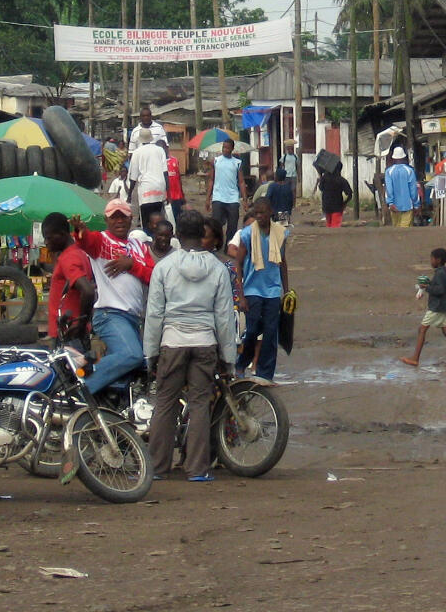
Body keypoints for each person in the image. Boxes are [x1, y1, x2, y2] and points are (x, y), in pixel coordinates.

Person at [144, 210, 236, 482]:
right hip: (205, 342)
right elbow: (224, 316)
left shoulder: (164, 267)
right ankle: (197, 469)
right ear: (202, 234)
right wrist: (228, 356)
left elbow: (154, 314)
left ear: (177, 235)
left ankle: (157, 467)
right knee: (199, 404)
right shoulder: (218, 268)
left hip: (172, 341)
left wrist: (150, 352)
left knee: (165, 403)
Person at [72, 199, 153, 393]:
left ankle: (112, 405)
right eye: (114, 217)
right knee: (132, 355)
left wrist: (131, 265)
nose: (119, 221)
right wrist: (80, 233)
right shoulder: (102, 240)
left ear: (130, 219)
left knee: (138, 365)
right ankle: (81, 387)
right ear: (106, 220)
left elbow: (154, 275)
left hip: (134, 318)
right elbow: (87, 241)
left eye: (123, 217)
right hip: (111, 314)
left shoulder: (140, 246)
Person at [233, 198, 290, 380]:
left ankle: (266, 375)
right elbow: (238, 264)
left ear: (270, 212)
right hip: (252, 290)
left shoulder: (280, 234)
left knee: (271, 333)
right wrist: (241, 295)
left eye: (263, 213)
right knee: (252, 330)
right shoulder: (248, 234)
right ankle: (242, 362)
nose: (260, 216)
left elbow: (282, 262)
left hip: (272, 290)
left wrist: (286, 290)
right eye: (256, 213)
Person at [400, 248, 446, 367]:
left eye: (432, 258)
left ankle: (415, 359)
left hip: (436, 308)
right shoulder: (442, 271)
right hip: (443, 307)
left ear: (438, 260)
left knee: (422, 330)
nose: (431, 261)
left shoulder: (440, 273)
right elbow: (440, 287)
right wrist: (429, 283)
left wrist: (426, 287)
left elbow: (440, 290)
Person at [43, 212, 96, 349]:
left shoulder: (69, 258)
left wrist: (80, 325)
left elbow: (88, 291)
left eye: (48, 238)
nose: (46, 243)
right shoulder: (78, 252)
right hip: (72, 331)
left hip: (68, 333)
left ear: (62, 234)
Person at [206, 138, 247, 249]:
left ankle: (229, 246)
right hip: (218, 197)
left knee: (232, 225)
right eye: (224, 147)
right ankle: (215, 245)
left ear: (232, 149)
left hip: (233, 198)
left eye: (228, 148)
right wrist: (208, 198)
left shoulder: (237, 163)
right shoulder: (216, 161)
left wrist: (245, 200)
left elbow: (242, 182)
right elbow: (211, 180)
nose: (225, 149)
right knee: (216, 223)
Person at [129, 127, 168, 233]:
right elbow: (165, 172)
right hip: (159, 188)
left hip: (146, 190)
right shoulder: (160, 150)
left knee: (146, 220)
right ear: (151, 138)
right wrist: (167, 191)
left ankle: (148, 240)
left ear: (140, 140)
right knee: (158, 217)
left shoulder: (137, 152)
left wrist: (129, 194)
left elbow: (133, 177)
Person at [384, 147, 418, 228]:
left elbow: (389, 189)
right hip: (408, 205)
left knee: (396, 228)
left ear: (393, 158)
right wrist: (416, 204)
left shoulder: (389, 171)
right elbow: (413, 190)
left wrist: (390, 202)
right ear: (403, 157)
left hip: (394, 206)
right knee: (405, 229)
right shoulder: (409, 171)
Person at [160, 140, 185, 222]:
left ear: (167, 148)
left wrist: (182, 195)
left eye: (163, 148)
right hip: (165, 197)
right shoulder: (158, 163)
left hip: (176, 196)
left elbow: (178, 178)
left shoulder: (174, 160)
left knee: (177, 218)